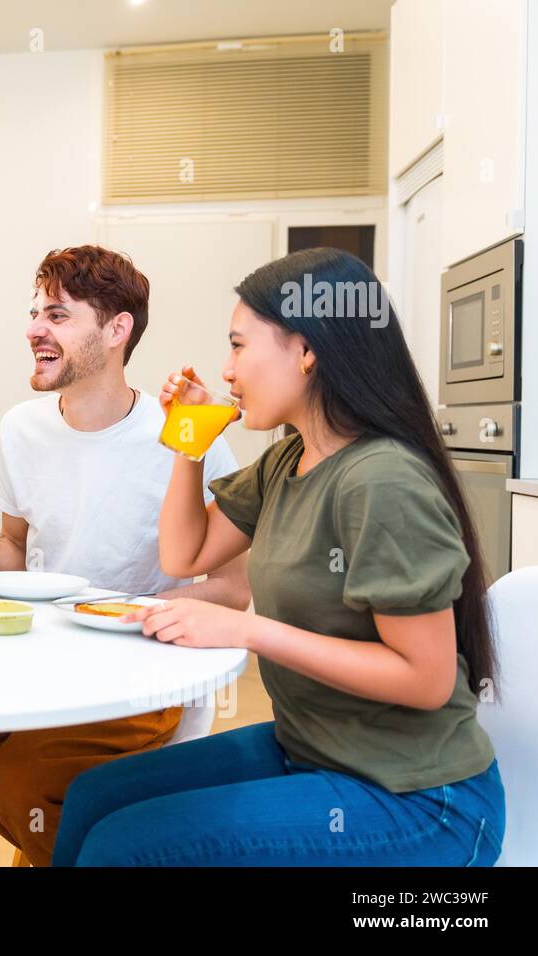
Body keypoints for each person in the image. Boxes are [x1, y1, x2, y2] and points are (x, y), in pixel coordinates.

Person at [54, 247, 505, 866]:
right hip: (314, 749)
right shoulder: (288, 462)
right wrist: (190, 436)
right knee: (91, 798)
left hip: (421, 801)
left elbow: (426, 680)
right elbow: (185, 552)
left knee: (121, 848)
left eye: (239, 346)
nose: (228, 370)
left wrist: (247, 628)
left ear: (307, 350)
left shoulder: (381, 480)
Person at [0, 245, 250, 866]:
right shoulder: (21, 429)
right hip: (39, 657)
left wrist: (139, 612)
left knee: (27, 784)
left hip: (137, 668)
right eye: (35, 311)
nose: (34, 327)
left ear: (118, 329)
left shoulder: (182, 435)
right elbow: (18, 550)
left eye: (58, 315)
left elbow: (232, 589)